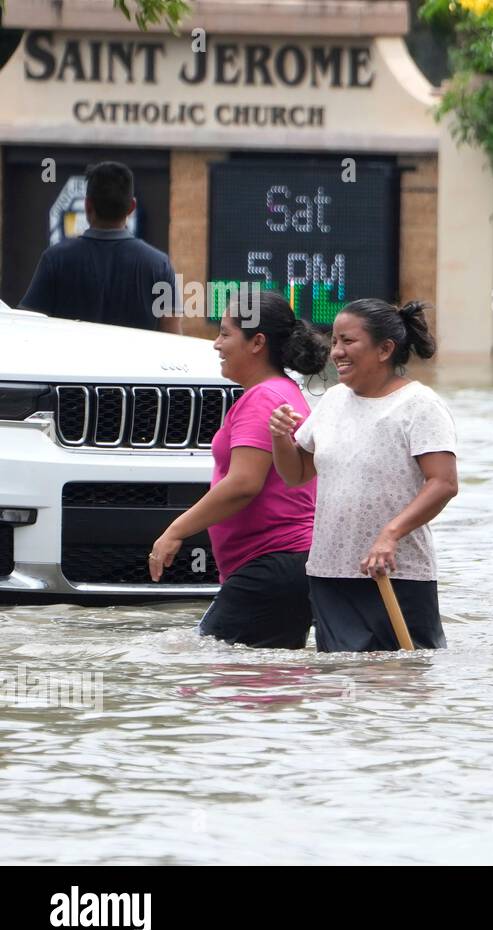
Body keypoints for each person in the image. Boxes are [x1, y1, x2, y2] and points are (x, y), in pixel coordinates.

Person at [269, 298, 458, 653]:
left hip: (395, 572)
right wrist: (280, 437)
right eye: (335, 341)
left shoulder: (420, 405)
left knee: (399, 685)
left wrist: (390, 534)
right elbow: (296, 473)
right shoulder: (333, 400)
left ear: (385, 349)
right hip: (329, 570)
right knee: (339, 685)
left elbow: (444, 483)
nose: (336, 352)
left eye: (348, 342)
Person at [148, 290, 327, 648]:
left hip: (272, 564)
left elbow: (244, 483)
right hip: (282, 566)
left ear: (257, 342)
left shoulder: (263, 398)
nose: (216, 345)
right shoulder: (283, 391)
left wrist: (174, 531)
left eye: (226, 334)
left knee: (205, 671)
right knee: (260, 685)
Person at [20, 161, 180, 333]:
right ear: (131, 207)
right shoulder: (160, 266)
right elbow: (172, 337)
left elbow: (27, 327)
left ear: (88, 205)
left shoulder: (54, 260)